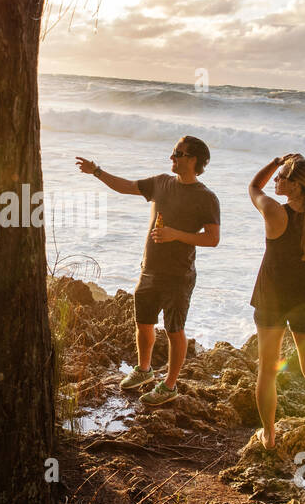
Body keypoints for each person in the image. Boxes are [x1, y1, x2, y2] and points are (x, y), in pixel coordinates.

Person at [76, 137, 220, 407]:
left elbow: (213, 239)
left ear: (193, 161)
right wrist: (97, 171)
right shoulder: (161, 182)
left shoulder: (206, 197)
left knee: (175, 330)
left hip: (178, 275)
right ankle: (144, 370)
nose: (172, 157)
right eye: (173, 152)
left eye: (178, 153)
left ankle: (170, 385)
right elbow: (127, 187)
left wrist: (174, 234)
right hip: (149, 269)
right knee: (143, 323)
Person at [247, 154, 305, 456]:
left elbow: (253, 186)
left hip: (272, 298)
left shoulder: (274, 211)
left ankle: (269, 436)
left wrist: (272, 161)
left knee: (267, 371)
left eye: (283, 176)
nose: (276, 180)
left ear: (296, 186)